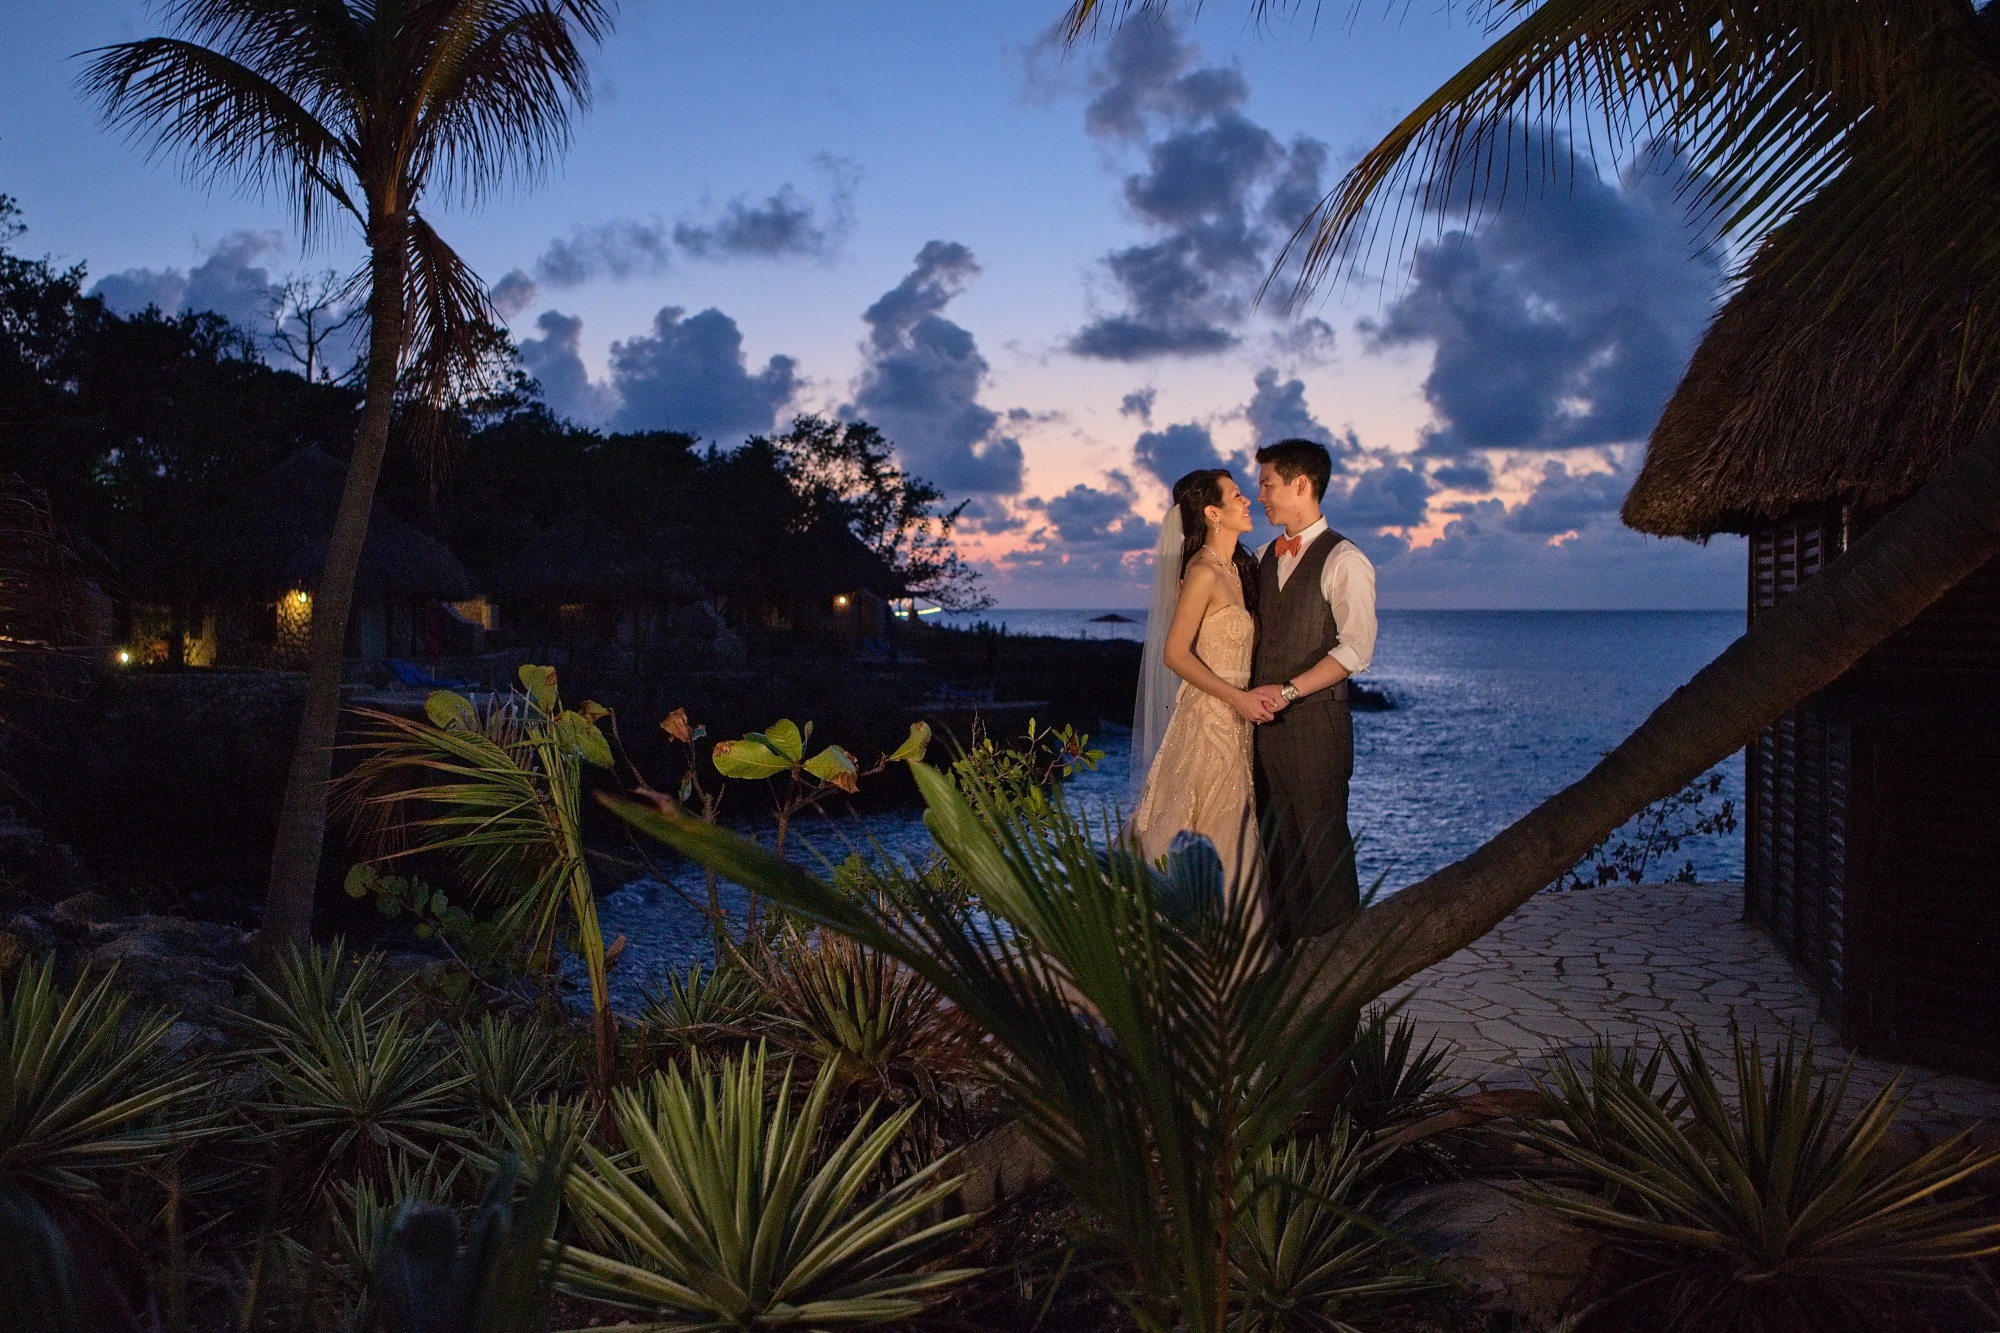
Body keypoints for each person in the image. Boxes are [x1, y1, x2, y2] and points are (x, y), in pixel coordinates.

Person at [1246, 438, 1378, 946]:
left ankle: (1341, 972)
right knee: (1277, 857)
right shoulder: (1261, 557)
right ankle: (1291, 973)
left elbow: (1356, 650)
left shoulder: (1345, 559)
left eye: (1268, 484)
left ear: (1301, 485)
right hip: (1262, 733)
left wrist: (1287, 692)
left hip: (1318, 729)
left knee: (1324, 857)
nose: (1260, 495)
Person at [1130, 468, 1272, 902]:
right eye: (1237, 495)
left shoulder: (1235, 569)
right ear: (1213, 513)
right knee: (1208, 823)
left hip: (1235, 717)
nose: (1247, 501)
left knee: (1227, 822)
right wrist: (1238, 699)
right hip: (1211, 717)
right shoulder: (1204, 572)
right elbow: (1174, 653)